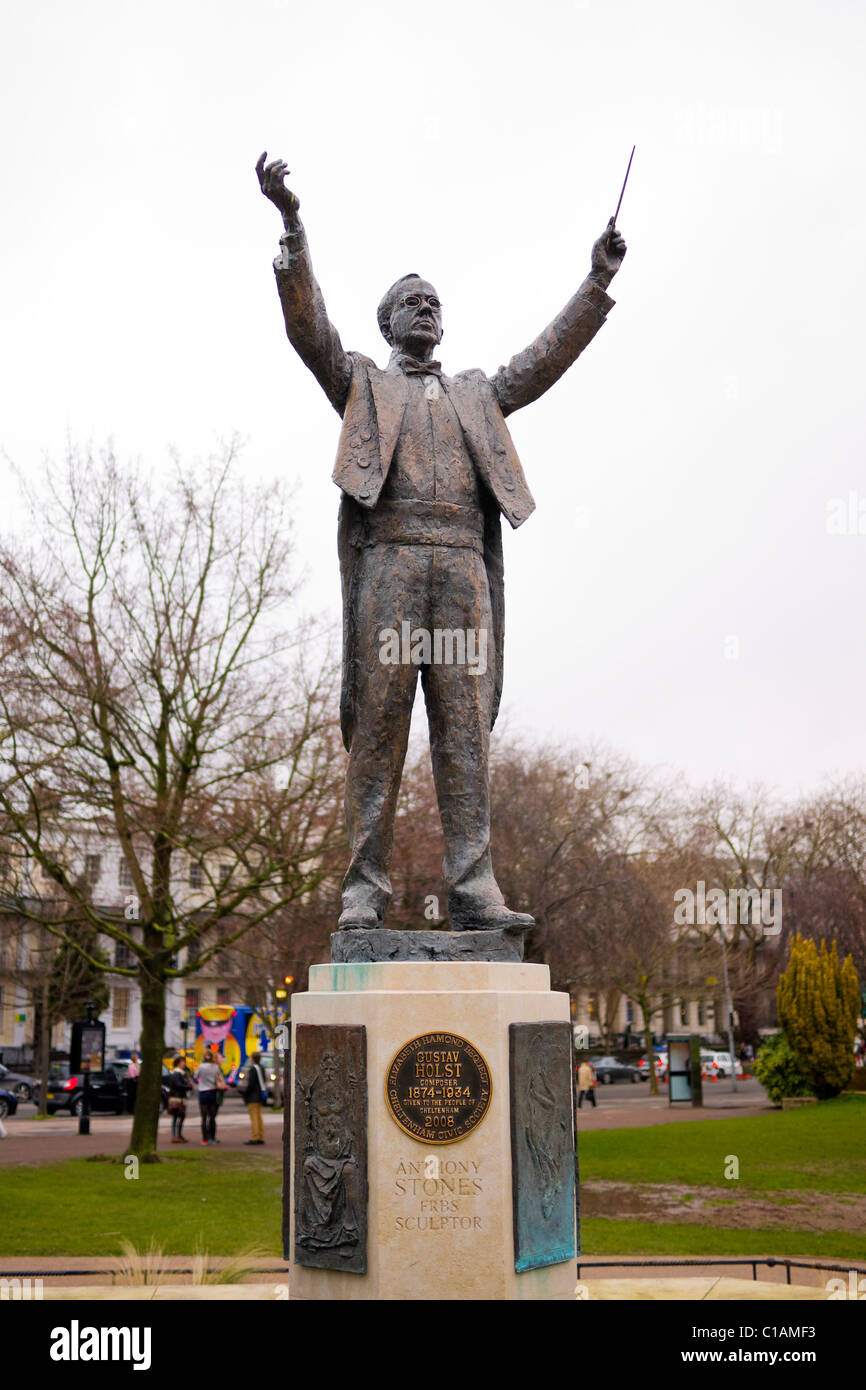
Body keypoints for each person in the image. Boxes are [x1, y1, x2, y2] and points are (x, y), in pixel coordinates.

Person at [256, 154, 625, 933]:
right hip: (390, 566)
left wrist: (594, 286)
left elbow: (545, 358)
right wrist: (292, 226)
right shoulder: (363, 384)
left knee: (463, 734)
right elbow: (307, 328)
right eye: (409, 303)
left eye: (433, 303)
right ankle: (364, 889)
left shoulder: (477, 393)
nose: (424, 310)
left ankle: (473, 888)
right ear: (387, 323)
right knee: (381, 731)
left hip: (462, 571)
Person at [196, 1046, 224, 1146]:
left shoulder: (201, 1066)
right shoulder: (215, 1067)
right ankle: (212, 1138)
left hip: (203, 1092)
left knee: (204, 1117)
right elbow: (218, 1077)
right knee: (212, 1117)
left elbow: (196, 1077)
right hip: (212, 1092)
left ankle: (204, 1139)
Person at [242, 1051, 268, 1146]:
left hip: (253, 1096)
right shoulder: (261, 1068)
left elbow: (251, 1083)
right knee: (259, 1116)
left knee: (254, 1117)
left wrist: (246, 1094)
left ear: (252, 1058)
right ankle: (261, 1136)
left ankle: (255, 1137)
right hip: (260, 1095)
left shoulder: (253, 1069)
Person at [167, 1055, 193, 1143]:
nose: (184, 1064)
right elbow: (178, 1085)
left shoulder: (182, 1073)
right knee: (176, 1116)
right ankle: (175, 1136)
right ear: (178, 1063)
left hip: (180, 1097)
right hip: (176, 1097)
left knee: (181, 1116)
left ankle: (178, 1134)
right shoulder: (176, 1073)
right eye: (182, 1062)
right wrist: (188, 1087)